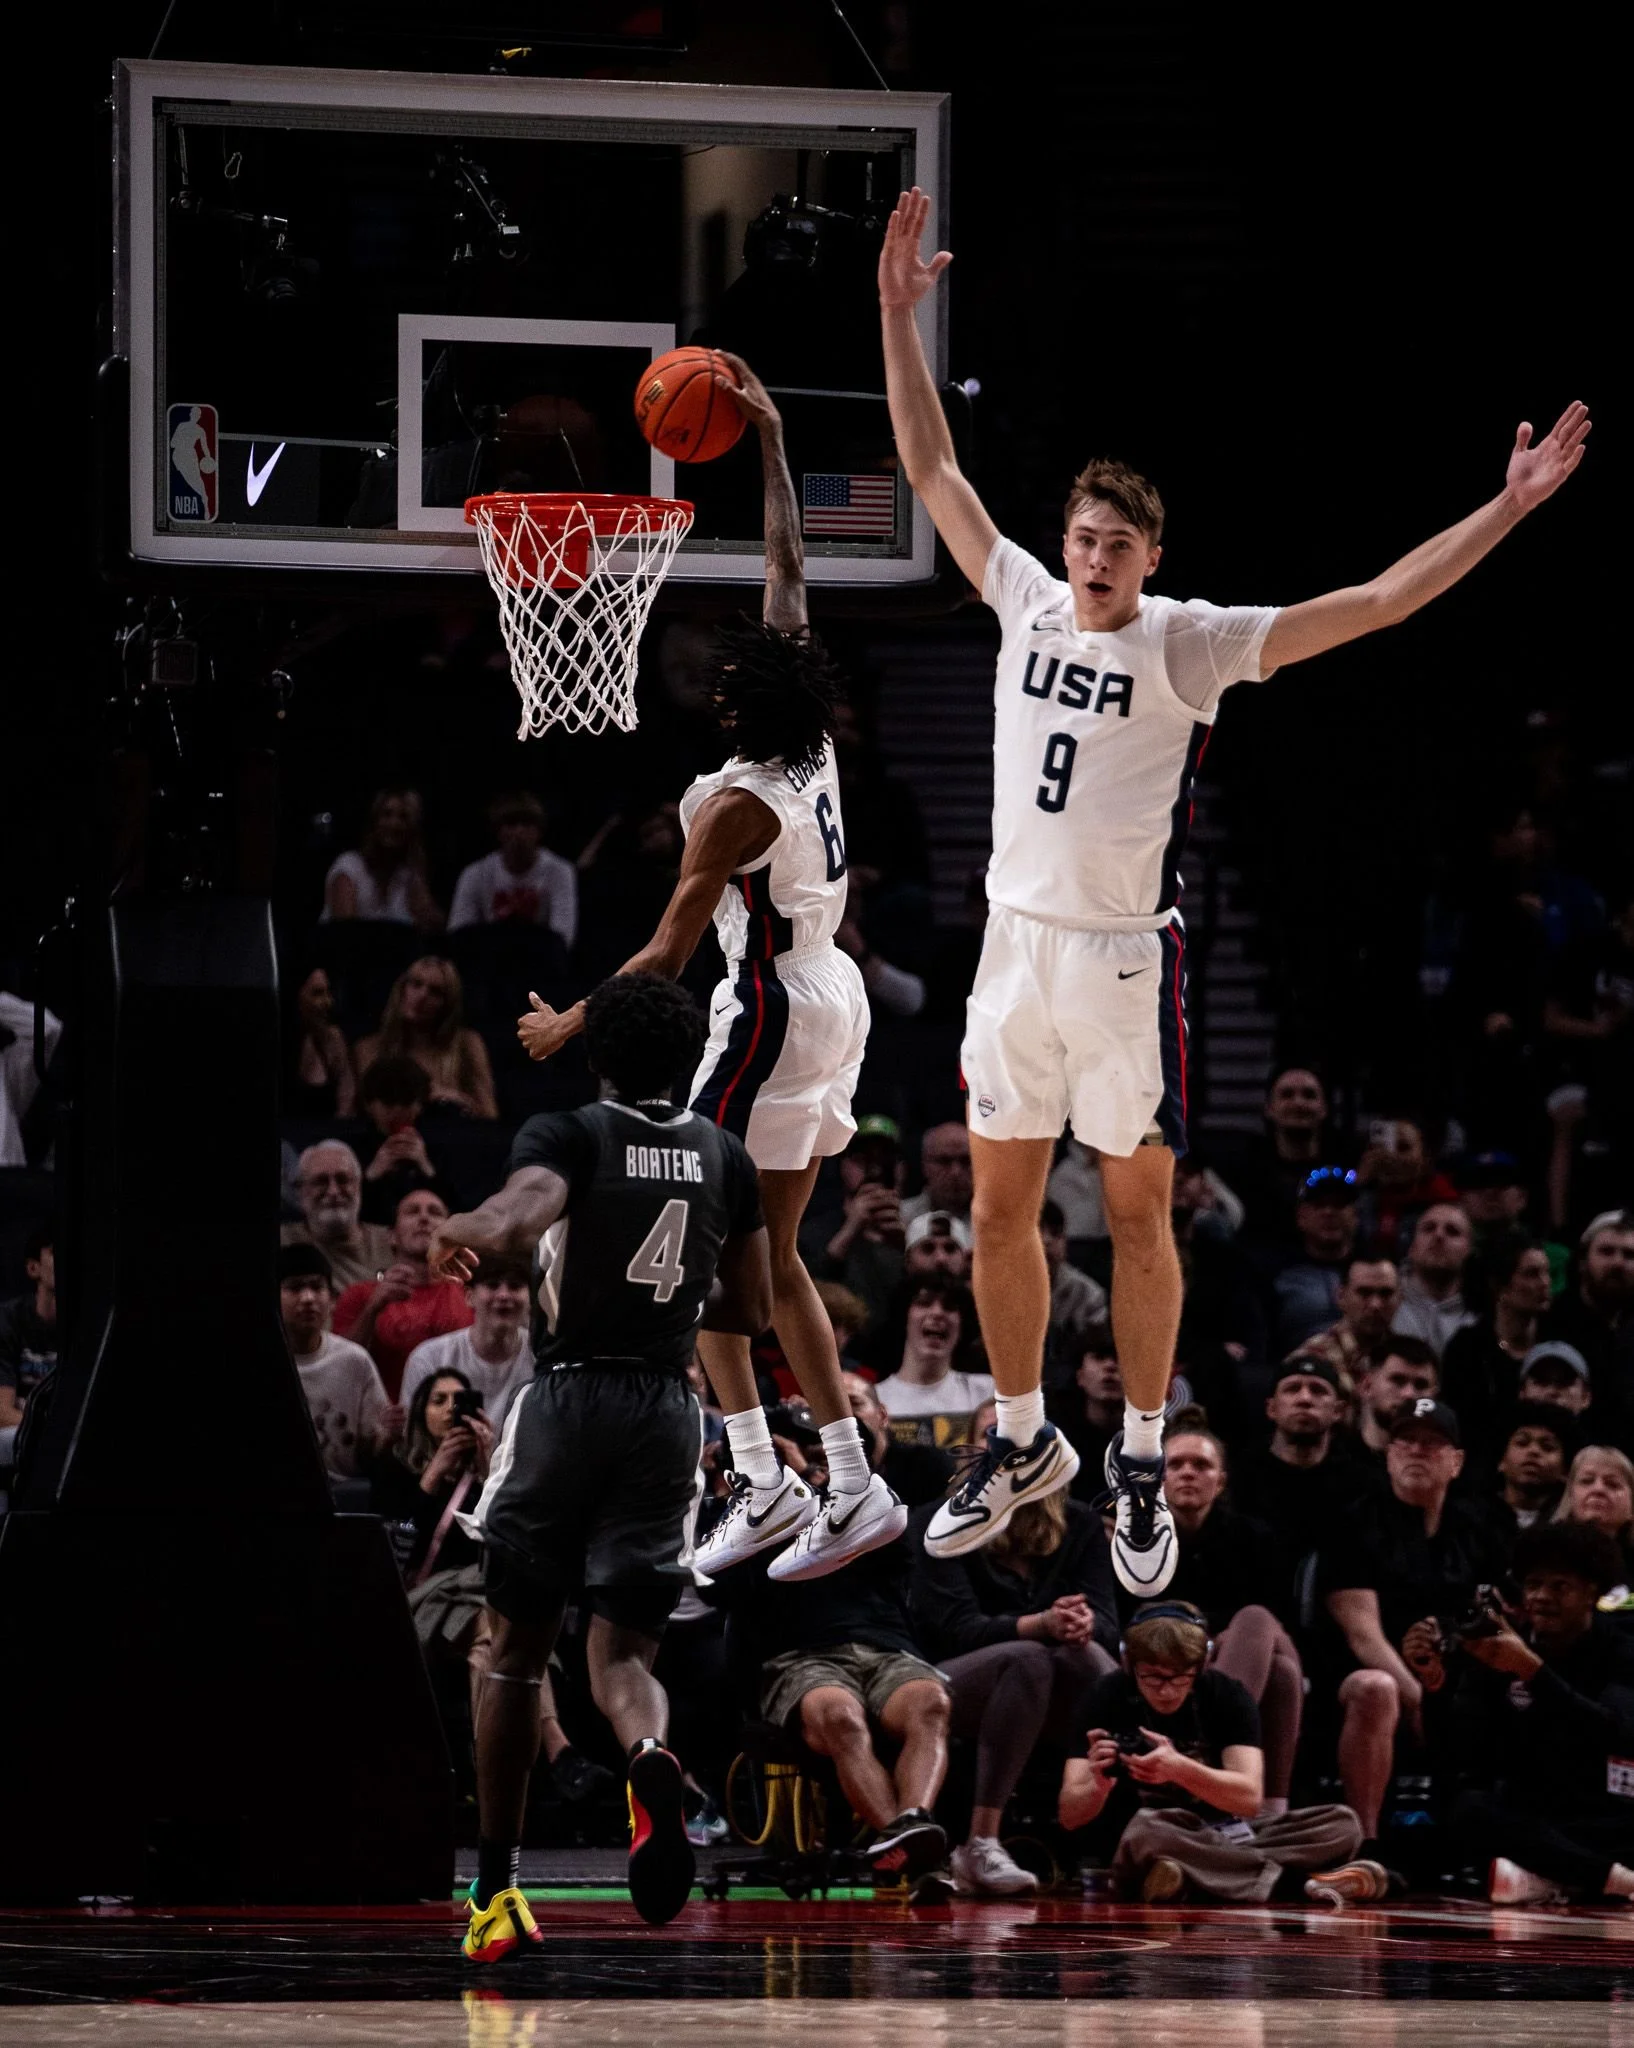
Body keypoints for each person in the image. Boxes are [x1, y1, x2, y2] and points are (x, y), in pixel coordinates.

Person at [880, 181, 1588, 1595]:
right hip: (1011, 949)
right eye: (1078, 537)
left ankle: (1139, 1452)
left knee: (1136, 1211)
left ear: (1151, 561)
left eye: (1113, 546)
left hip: (1122, 959)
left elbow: (1376, 603)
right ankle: (1019, 1437)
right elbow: (933, 471)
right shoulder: (1017, 592)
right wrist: (896, 321)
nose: (1087, 560)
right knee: (1000, 1212)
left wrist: (1503, 512)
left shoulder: (1190, 643)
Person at [516, 357, 899, 1584]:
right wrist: (774, 442)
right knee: (773, 1257)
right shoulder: (812, 741)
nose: (717, 672)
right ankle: (838, 1478)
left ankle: (761, 1469)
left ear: (741, 703)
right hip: (833, 995)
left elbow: (672, 948)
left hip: (773, 1006)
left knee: (702, 1250)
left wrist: (575, 1018)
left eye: (726, 674)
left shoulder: (735, 803)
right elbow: (789, 573)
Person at [428, 973, 773, 1951]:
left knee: (510, 1649)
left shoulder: (573, 1132)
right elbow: (749, 1308)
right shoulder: (724, 1153)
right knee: (622, 1651)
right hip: (669, 1407)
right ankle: (650, 1750)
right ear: (686, 1056)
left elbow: (516, 1215)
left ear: (598, 1055)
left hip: (568, 1396)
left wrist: (471, 1231)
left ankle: (495, 1886)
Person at [1058, 1601, 1371, 1904]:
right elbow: (1069, 1816)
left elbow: (1248, 1799)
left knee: (1342, 1823)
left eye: (1180, 1677)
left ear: (1200, 1666)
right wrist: (1098, 1786)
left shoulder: (1226, 1694)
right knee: (1147, 1831)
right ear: (1130, 1664)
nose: (1166, 1690)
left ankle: (1195, 1879)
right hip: (1159, 1837)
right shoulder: (1105, 1695)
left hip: (1228, 1834)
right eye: (1152, 1676)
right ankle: (1297, 1883)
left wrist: (1179, 1768)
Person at [911, 1467, 1119, 1897]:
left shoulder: (1079, 1522)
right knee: (1029, 1659)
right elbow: (956, 1629)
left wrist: (1083, 1623)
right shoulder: (940, 1522)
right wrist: (1041, 1623)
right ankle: (980, 1843)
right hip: (944, 1676)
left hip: (1050, 1685)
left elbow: (1109, 1627)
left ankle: (1116, 1820)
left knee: (1093, 1658)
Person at [1320, 1397, 1512, 1843]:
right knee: (1377, 1688)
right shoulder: (1353, 1522)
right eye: (1405, 1441)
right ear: (1388, 1454)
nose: (1417, 1451)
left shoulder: (1477, 1529)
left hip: (1452, 1674)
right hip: (1361, 1677)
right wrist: (1414, 1695)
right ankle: (1364, 1844)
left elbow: (1497, 1614)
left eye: (1433, 1444)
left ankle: (1492, 1838)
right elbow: (1362, 1633)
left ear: (1457, 1462)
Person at [1410, 1521, 1634, 1905]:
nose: (1542, 1597)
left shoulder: (1621, 1649)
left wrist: (1533, 1672)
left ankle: (1554, 1878)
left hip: (1603, 1806)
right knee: (1467, 1809)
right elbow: (1459, 1750)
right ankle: (1612, 1881)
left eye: (1559, 1587)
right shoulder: (1497, 1651)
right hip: (1531, 1810)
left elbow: (1613, 1731)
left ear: (1591, 1592)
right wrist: (1435, 1685)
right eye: (1533, 1585)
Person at [1155, 1422, 1305, 1815]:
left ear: (1220, 1482)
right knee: (1283, 1673)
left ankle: (1209, 1754)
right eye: (1176, 1464)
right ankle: (1270, 1812)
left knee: (1255, 1620)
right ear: (1159, 1477)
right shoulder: (1136, 1541)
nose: (1188, 1472)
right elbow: (1136, 1621)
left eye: (1201, 1465)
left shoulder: (1254, 1537)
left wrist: (1219, 1639)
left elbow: (1275, 1618)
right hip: (1170, 1657)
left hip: (1239, 1649)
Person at [332, 1188, 473, 1401]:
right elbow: (336, 1368)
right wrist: (372, 1310)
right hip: (385, 1424)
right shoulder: (360, 1295)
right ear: (391, 1237)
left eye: (434, 1212)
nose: (424, 1218)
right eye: (412, 1212)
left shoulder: (472, 1296)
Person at [278, 1244, 395, 1480]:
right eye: (295, 1288)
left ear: (332, 1300)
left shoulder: (353, 1360)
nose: (308, 1298)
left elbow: (370, 1451)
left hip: (343, 1496)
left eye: (317, 1287)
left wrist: (388, 1435)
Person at [1440, 1233, 1555, 1454]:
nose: (1545, 1283)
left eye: (1546, 1272)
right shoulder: (1467, 1350)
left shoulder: (1560, 1341)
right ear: (1499, 1286)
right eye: (1532, 1274)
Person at [400, 1256, 536, 1436]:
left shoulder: (542, 1356)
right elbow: (414, 1438)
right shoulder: (430, 1358)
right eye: (492, 1285)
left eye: (515, 1286)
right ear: (469, 1296)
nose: (504, 1295)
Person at [354, 957, 497, 1121]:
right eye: (416, 984)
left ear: (447, 1004)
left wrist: (457, 1100)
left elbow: (490, 1116)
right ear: (402, 989)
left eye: (435, 992)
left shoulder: (467, 1044)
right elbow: (367, 1111)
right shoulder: (369, 1048)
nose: (422, 996)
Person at [1541, 1211, 1634, 1447]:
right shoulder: (1550, 1323)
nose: (1617, 1263)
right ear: (1582, 1262)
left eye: (1629, 1255)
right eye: (1606, 1252)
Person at [871, 1278, 995, 1451]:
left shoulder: (986, 1391)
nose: (937, 1313)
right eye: (924, 1303)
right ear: (904, 1316)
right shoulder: (874, 1398)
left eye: (949, 1307)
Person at [448, 791, 578, 947]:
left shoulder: (560, 871)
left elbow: (564, 936)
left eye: (527, 824)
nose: (519, 832)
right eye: (511, 824)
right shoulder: (474, 873)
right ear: (498, 831)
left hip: (539, 960)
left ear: (539, 831)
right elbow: (458, 932)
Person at [1268, 1167, 1361, 1356]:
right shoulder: (1276, 1274)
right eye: (1319, 1205)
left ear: (1355, 1216)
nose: (1329, 1212)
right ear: (1301, 1216)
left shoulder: (1374, 1270)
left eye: (1339, 1204)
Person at [323, 788, 444, 929]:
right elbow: (344, 932)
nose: (394, 824)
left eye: (403, 817)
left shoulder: (406, 876)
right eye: (387, 815)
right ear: (374, 822)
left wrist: (417, 866)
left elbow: (435, 927)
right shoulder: (349, 867)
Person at [280, 1141, 393, 1291]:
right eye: (321, 1182)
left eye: (343, 1180)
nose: (333, 1191)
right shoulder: (281, 1241)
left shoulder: (393, 1242)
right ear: (301, 1191)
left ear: (358, 1186)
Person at [350, 1057, 449, 1225]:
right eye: (389, 1104)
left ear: (420, 1105)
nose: (398, 1112)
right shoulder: (353, 1149)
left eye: (407, 1104)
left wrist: (426, 1168)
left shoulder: (438, 1146)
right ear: (368, 1105)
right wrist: (372, 1175)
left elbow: (455, 1209)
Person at [845, 1371, 955, 1509]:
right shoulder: (820, 1471)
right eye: (833, 1410)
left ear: (882, 1415)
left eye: (855, 1404)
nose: (846, 1416)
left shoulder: (928, 1466)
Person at [1304, 1255, 1402, 1394]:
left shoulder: (1409, 1358)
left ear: (1400, 1298)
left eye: (1385, 1294)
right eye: (1364, 1293)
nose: (1376, 1305)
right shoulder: (1314, 1358)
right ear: (1341, 1296)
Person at [1391, 1203, 1476, 1360]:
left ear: (1469, 1249)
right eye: (1428, 1228)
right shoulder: (1385, 1298)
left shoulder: (1482, 1313)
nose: (1439, 1236)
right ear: (1411, 1245)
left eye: (1452, 1232)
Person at [0, 1228, 56, 1430]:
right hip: (23, 1430)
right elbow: (1, 1413)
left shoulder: (92, 1326)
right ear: (34, 1268)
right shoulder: (8, 1320)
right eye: (55, 1252)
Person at [1350, 1337, 1440, 1461]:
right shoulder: (1333, 1469)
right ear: (1367, 1386)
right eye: (1398, 1380)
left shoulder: (1445, 1472)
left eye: (1420, 1385)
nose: (1409, 1394)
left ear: (1434, 1397)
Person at [1040, 1200, 1108, 1358]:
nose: (1047, 1241)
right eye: (1037, 1231)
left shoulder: (1090, 1295)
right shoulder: (998, 1288)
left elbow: (1096, 1355)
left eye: (1056, 1234)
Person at [288, 966, 356, 1119]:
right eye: (317, 993)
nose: (327, 1002)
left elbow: (346, 1100)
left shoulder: (333, 1038)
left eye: (328, 992)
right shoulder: (274, 1041)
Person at [1493, 1403, 1575, 1531]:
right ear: (1501, 1462)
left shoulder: (1573, 1526)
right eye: (1522, 1443)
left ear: (1565, 1471)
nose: (1533, 1451)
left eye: (1547, 1447)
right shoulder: (1468, 1522)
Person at [900, 1123, 973, 1230]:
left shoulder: (996, 1219)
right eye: (944, 1161)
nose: (955, 1172)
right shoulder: (902, 1217)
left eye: (966, 1161)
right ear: (924, 1165)